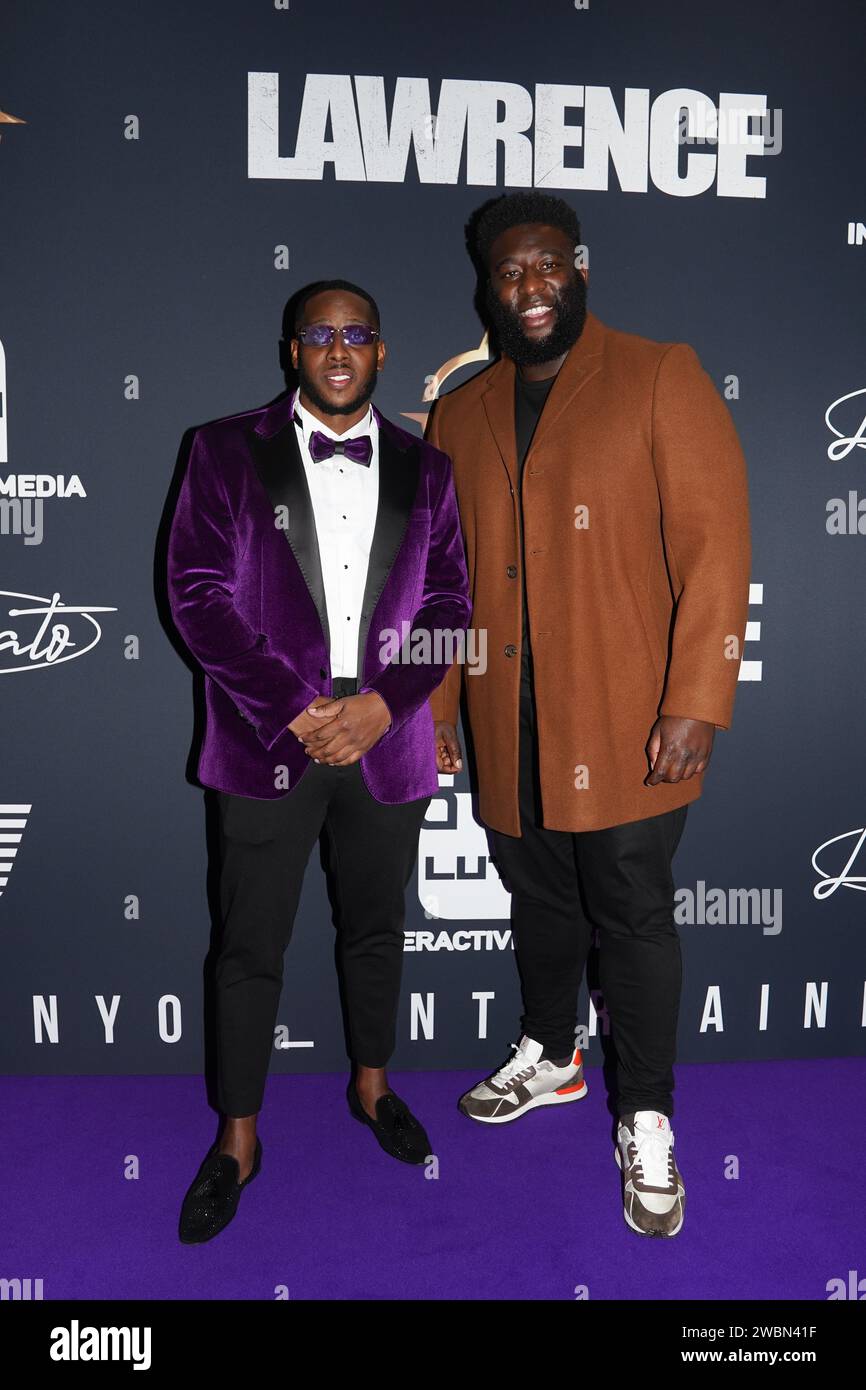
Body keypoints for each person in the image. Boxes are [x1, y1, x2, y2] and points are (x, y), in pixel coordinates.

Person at [428, 194, 751, 1237]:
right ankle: (550, 1052)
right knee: (537, 899)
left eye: (544, 267)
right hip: (505, 718)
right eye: (507, 273)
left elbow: (715, 547)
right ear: (487, 284)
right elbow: (443, 577)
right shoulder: (460, 408)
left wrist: (695, 697)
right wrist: (439, 696)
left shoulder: (659, 373)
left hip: (623, 718)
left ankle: (645, 1113)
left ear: (578, 267)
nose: (527, 289)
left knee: (629, 915)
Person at [167, 279, 471, 1243]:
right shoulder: (222, 450)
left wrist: (385, 706)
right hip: (268, 741)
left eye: (358, 335)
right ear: (292, 351)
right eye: (320, 334)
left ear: (381, 353)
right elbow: (196, 594)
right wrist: (300, 710)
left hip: (389, 742)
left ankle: (372, 1087)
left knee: (377, 932)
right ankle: (238, 1141)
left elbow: (451, 609)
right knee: (249, 947)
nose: (339, 349)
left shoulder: (431, 468)